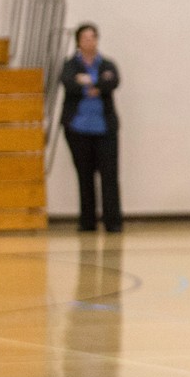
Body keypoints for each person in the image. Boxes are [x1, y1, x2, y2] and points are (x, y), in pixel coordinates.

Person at [60, 23, 122, 233]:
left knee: (109, 176)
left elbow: (113, 81)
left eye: (92, 37)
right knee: (84, 176)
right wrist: (94, 85)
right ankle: (87, 222)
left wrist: (88, 82)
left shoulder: (106, 63)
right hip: (78, 129)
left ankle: (113, 222)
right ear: (78, 42)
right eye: (85, 38)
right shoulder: (70, 65)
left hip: (105, 129)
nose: (89, 41)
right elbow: (69, 83)